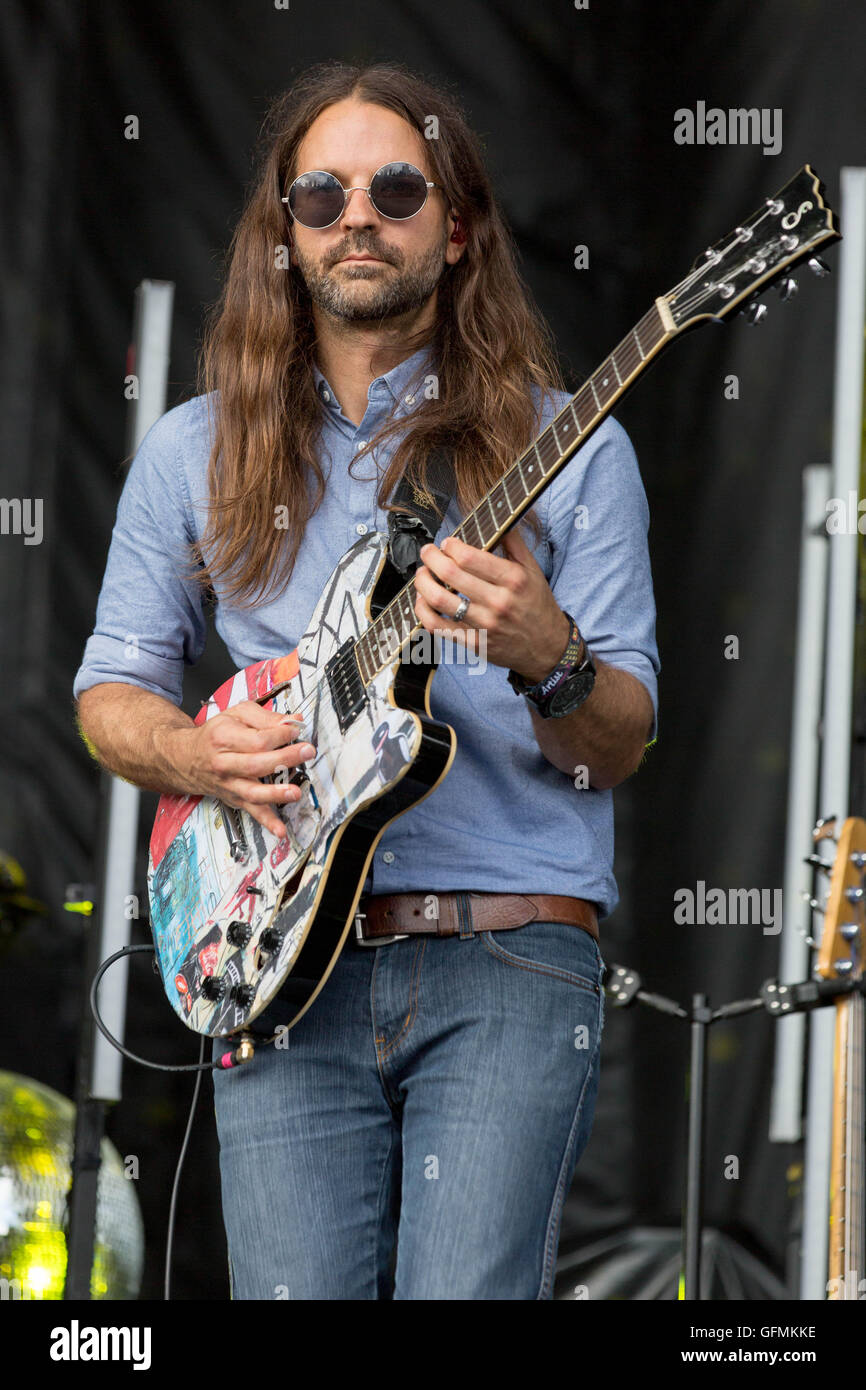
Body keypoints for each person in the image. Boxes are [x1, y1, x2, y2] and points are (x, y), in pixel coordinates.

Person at [74, 60, 659, 1300]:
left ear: (455, 230)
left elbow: (619, 744)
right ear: (281, 234)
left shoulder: (576, 452)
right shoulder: (190, 451)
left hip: (503, 960)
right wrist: (194, 753)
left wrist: (549, 652)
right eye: (320, 194)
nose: (358, 215)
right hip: (280, 963)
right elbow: (110, 695)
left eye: (397, 189)